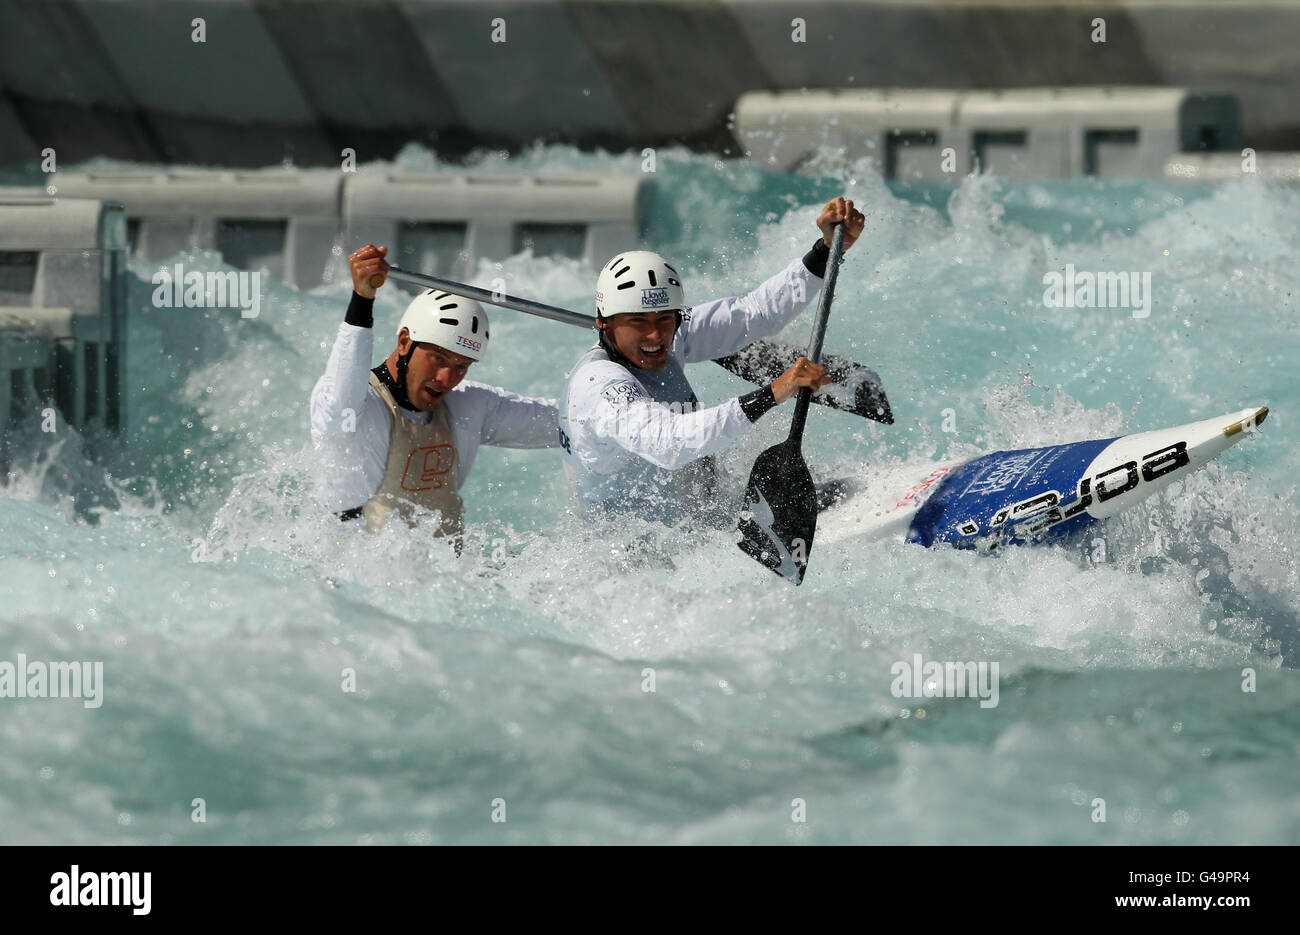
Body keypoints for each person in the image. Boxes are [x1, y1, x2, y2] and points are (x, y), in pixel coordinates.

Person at [559, 196, 866, 525]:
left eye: (664, 319)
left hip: (704, 525)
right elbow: (671, 443)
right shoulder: (600, 388)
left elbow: (754, 314)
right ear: (604, 324)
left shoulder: (674, 332)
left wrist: (825, 250)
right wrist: (774, 391)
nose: (655, 336)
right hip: (639, 563)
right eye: (638, 322)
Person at [311, 244, 559, 537]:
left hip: (446, 581)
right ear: (404, 342)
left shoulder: (468, 406)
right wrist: (362, 299)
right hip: (357, 576)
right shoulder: (357, 409)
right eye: (438, 358)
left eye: (461, 366)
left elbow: (568, 422)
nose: (446, 378)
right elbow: (343, 394)